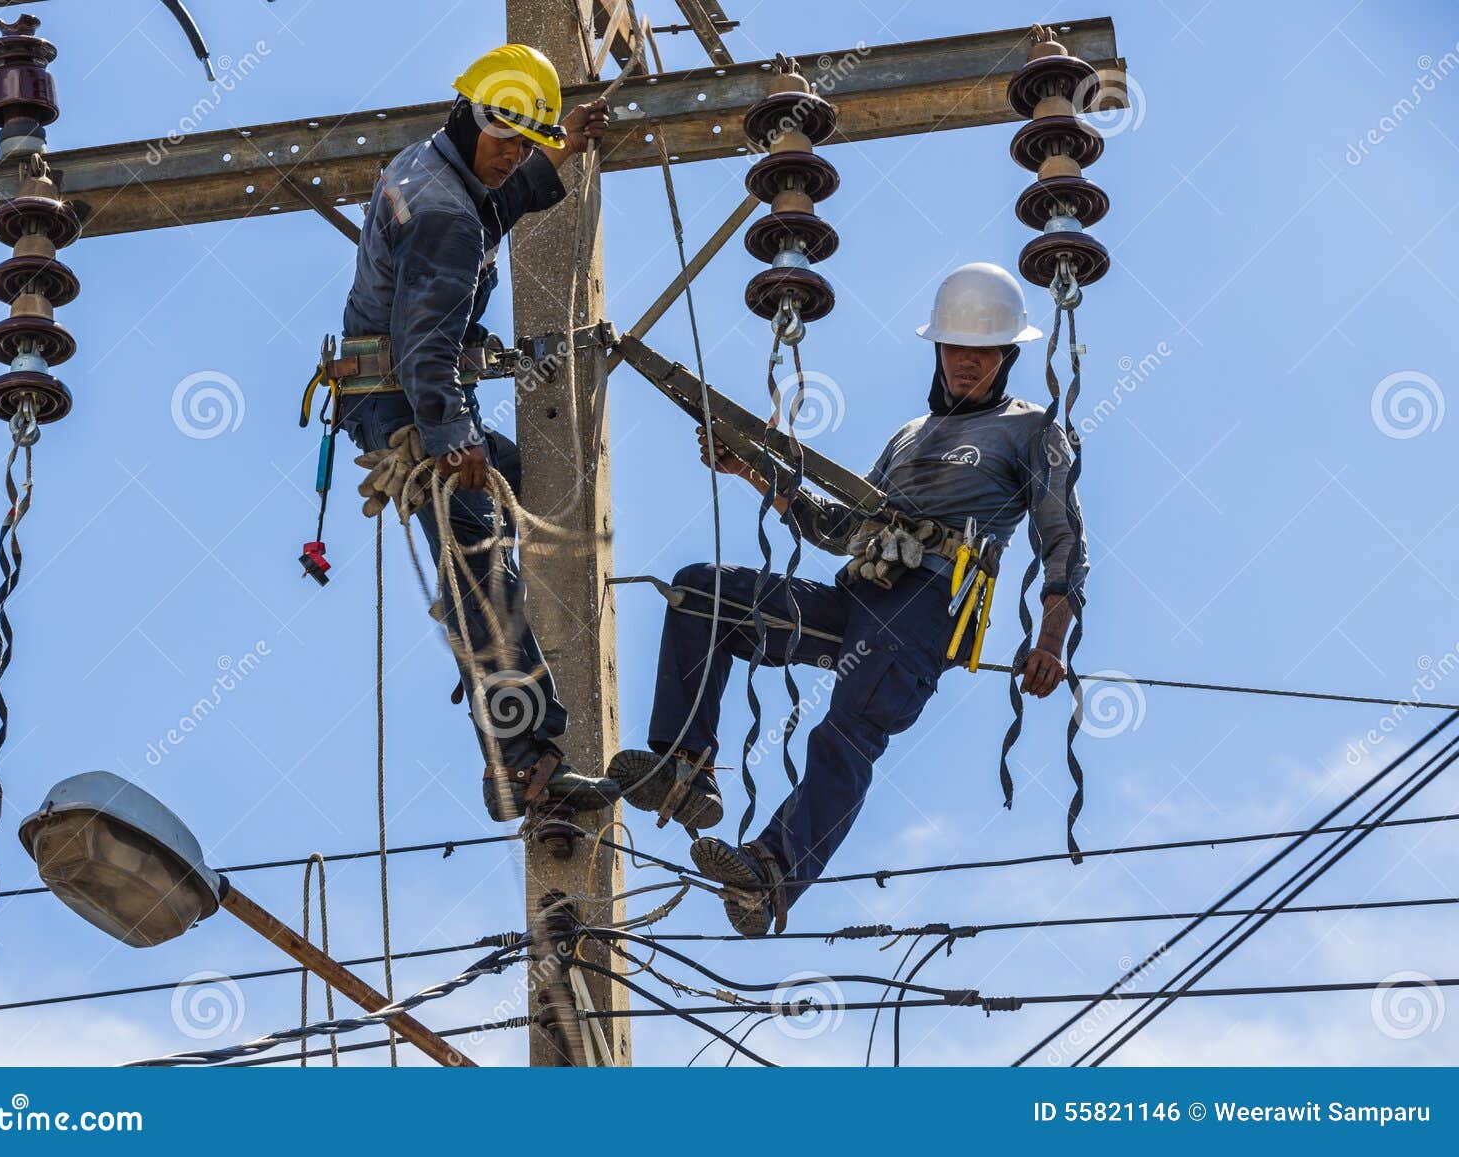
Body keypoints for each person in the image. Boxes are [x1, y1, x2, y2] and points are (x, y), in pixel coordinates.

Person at [607, 263, 1088, 934]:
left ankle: (772, 871)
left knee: (847, 725)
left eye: (984, 351)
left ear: (1008, 356)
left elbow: (1062, 538)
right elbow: (836, 529)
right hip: (861, 594)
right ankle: (684, 767)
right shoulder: (909, 436)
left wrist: (1050, 640)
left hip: (928, 609)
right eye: (956, 348)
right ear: (938, 349)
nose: (968, 363)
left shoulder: (1031, 430)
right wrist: (750, 468)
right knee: (700, 592)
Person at [337, 44, 618, 822]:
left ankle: (507, 696)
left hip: (391, 391)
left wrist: (563, 150)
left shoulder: (433, 163)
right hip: (411, 402)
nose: (513, 159)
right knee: (480, 563)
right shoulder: (444, 218)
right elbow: (427, 343)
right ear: (473, 118)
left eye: (527, 144)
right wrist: (452, 434)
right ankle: (521, 758)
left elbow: (496, 199)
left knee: (531, 487)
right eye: (507, 141)